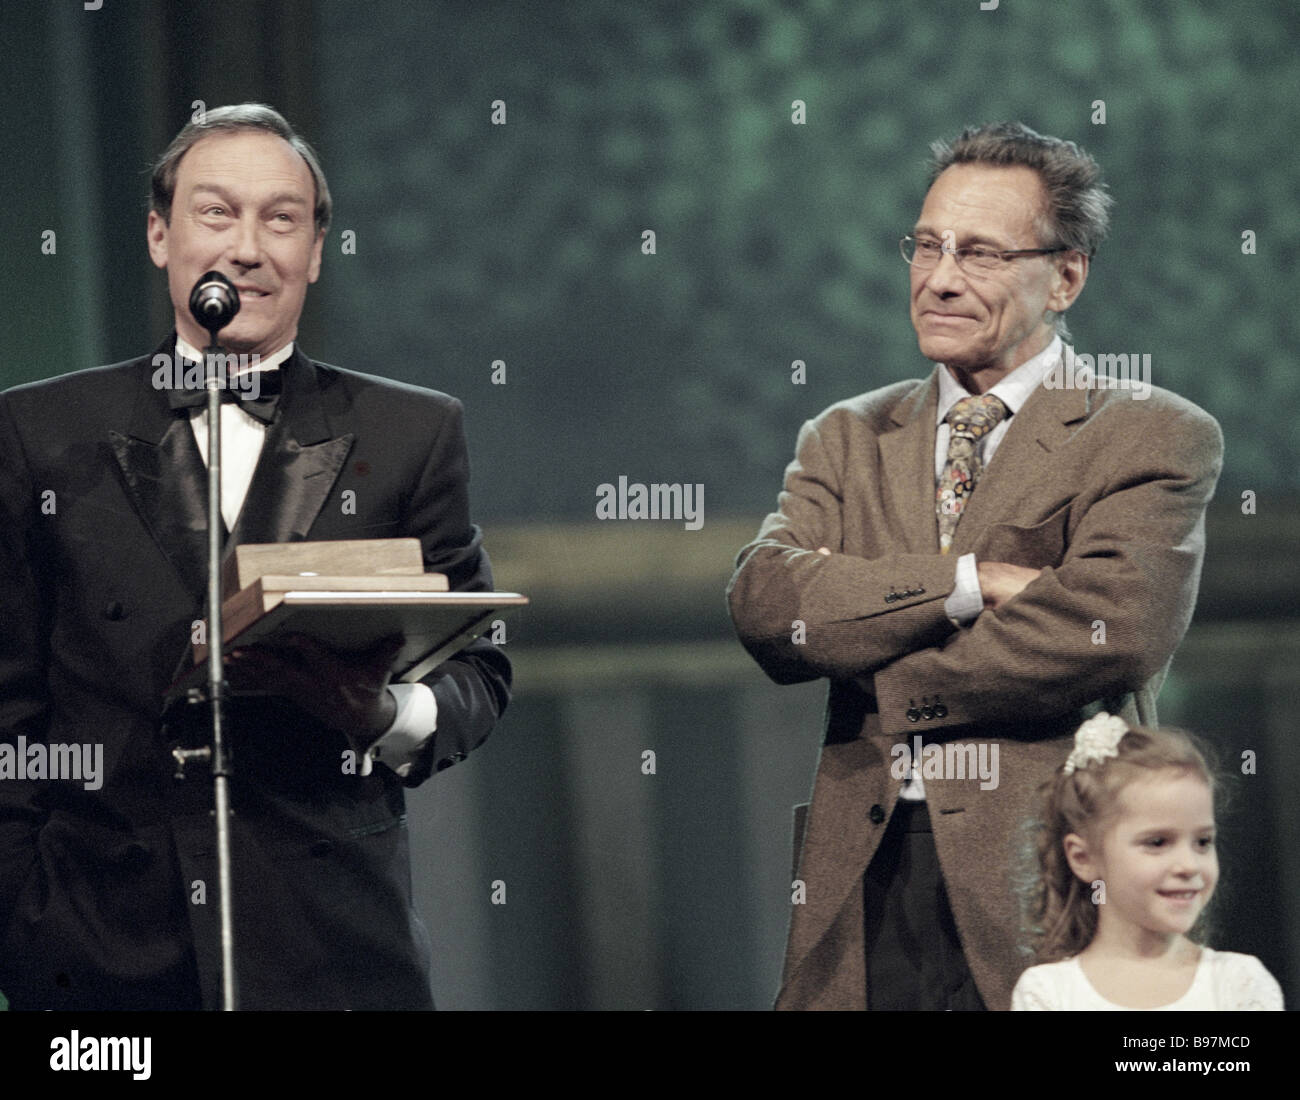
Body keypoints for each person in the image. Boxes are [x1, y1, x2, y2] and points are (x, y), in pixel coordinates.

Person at [0, 103, 510, 1010]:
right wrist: (23, 918)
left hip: (332, 942)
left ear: (315, 251)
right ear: (160, 236)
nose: (246, 248)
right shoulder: (42, 432)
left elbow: (479, 665)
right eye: (215, 213)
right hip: (101, 946)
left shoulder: (410, 432)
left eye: (281, 219)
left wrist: (385, 711)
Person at [727, 121, 1224, 1010]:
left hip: (1052, 872)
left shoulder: (1150, 432)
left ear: (1065, 276)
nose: (939, 278)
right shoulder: (846, 437)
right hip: (868, 873)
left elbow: (1110, 631)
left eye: (982, 254)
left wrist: (875, 659)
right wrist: (973, 583)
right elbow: (770, 605)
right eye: (926, 245)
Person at [1012, 713, 1282, 1010]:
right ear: (1084, 858)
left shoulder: (1240, 984)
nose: (1189, 865)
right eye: (1157, 842)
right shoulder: (1048, 992)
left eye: (1203, 842)